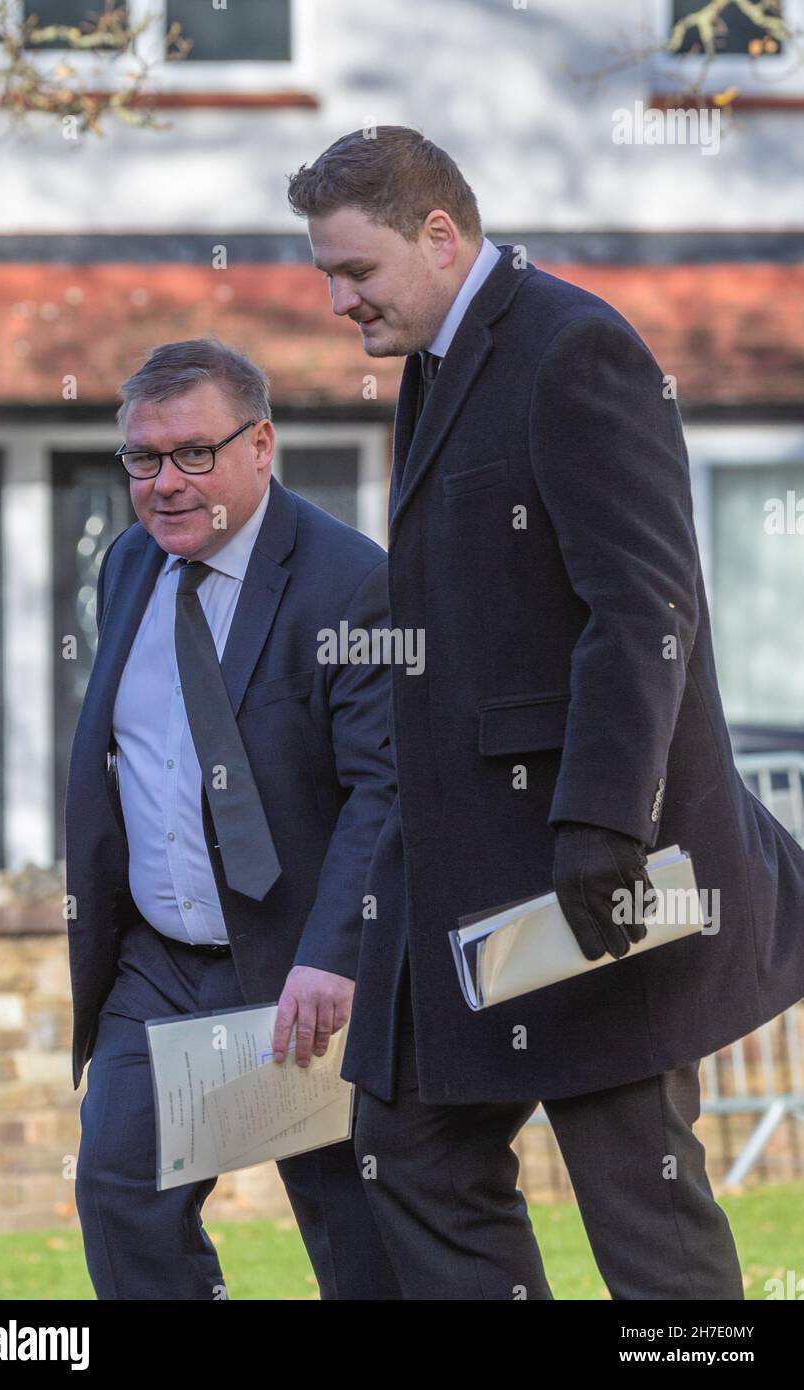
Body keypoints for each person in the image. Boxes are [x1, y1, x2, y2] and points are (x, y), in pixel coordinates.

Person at [287, 126, 804, 1300]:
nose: (333, 299)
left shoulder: (574, 349)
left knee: (643, 1207)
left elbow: (644, 606)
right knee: (406, 1148)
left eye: (354, 271)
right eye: (324, 273)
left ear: (438, 234)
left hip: (590, 876)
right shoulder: (438, 360)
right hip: (467, 877)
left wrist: (601, 827)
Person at [66, 337, 401, 1300]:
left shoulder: (349, 583)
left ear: (261, 445)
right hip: (159, 965)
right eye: (143, 457)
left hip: (301, 962)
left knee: (354, 1228)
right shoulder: (129, 565)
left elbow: (384, 789)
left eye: (194, 453)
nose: (165, 482)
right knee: (120, 1192)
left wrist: (335, 952)